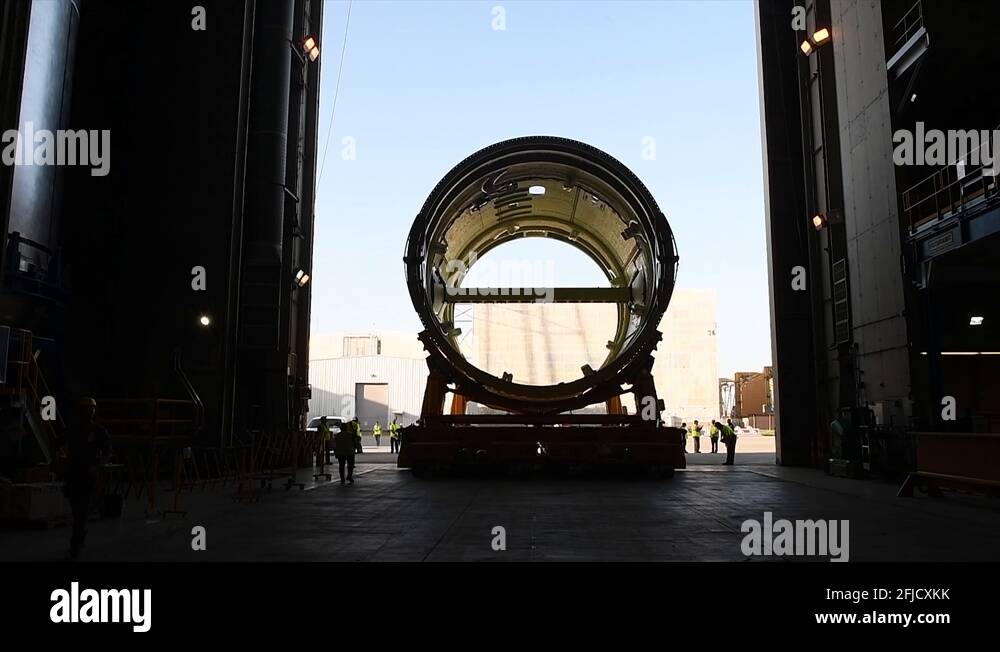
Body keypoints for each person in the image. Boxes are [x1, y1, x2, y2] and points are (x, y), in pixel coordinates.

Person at [59, 397, 112, 559]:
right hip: (74, 473)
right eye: (86, 409)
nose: (89, 412)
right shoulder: (72, 430)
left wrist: (99, 465)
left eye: (91, 409)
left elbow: (108, 451)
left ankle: (77, 540)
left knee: (81, 511)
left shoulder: (98, 431)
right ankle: (79, 536)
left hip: (88, 474)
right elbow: (58, 443)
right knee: (77, 510)